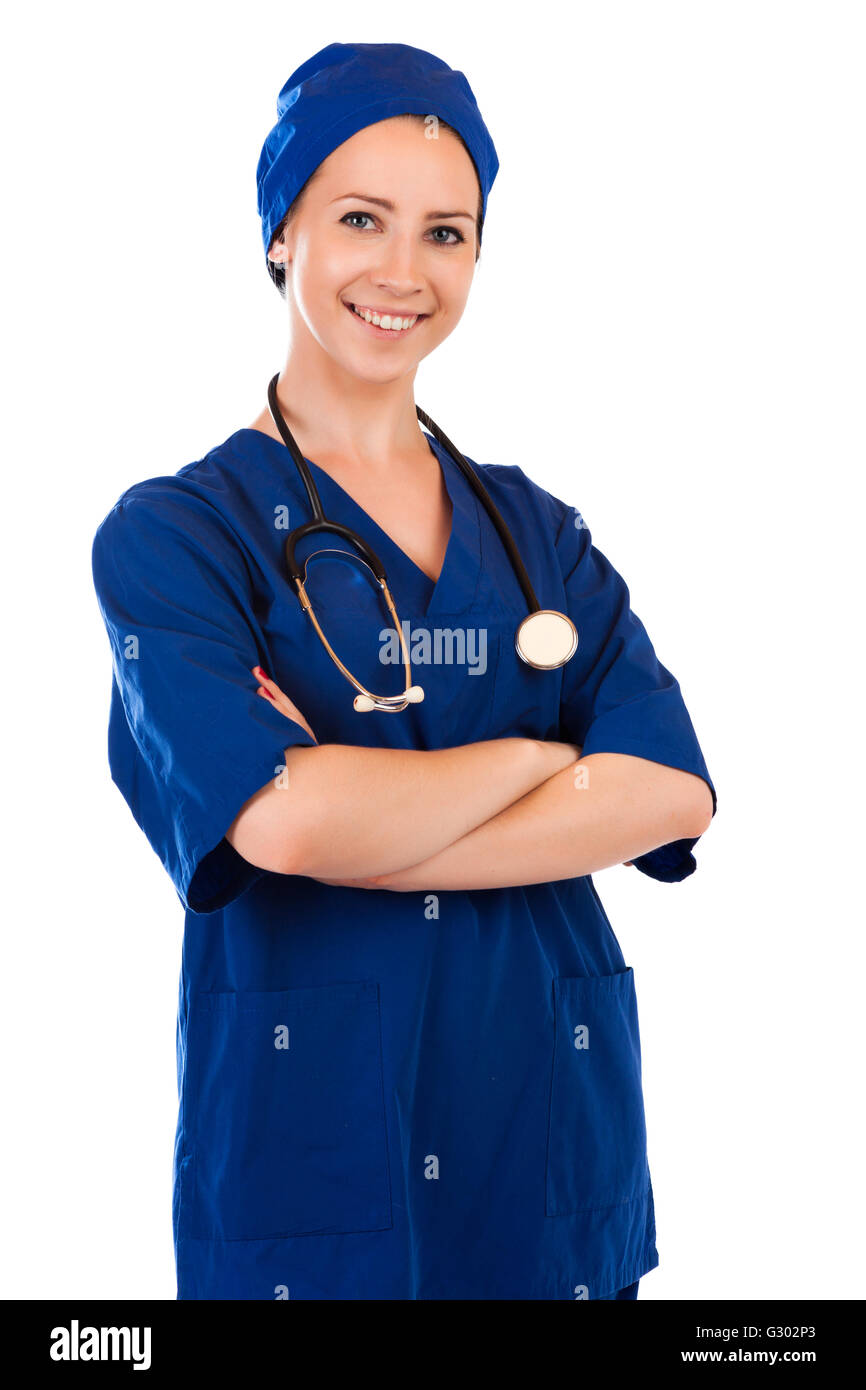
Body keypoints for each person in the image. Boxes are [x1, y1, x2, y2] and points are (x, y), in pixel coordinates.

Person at [91, 42, 716, 1301]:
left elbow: (668, 790)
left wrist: (356, 817)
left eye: (446, 232)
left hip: (543, 1134)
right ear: (280, 234)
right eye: (359, 218)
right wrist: (542, 761)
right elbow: (274, 819)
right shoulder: (177, 535)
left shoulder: (535, 532)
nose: (401, 270)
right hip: (313, 1148)